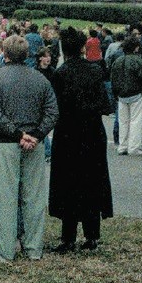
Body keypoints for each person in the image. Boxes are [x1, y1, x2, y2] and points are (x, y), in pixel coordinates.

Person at [0, 35, 59, 262]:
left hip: (5, 142)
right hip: (33, 142)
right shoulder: (40, 79)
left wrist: (18, 134)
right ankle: (34, 248)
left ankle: (5, 249)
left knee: (6, 196)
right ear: (27, 55)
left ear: (4, 54)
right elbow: (53, 112)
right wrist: (35, 134)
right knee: (33, 196)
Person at [48, 27, 113, 253]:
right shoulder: (95, 72)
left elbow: (54, 107)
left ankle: (68, 236)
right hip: (92, 132)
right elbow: (106, 105)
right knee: (91, 181)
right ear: (83, 47)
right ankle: (92, 235)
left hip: (67, 133)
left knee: (68, 182)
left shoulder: (60, 74)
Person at [111, 36, 142, 156]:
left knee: (123, 121)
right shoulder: (139, 61)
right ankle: (133, 147)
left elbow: (113, 79)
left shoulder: (117, 61)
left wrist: (115, 94)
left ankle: (122, 146)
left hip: (121, 95)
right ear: (136, 48)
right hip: (137, 94)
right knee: (136, 121)